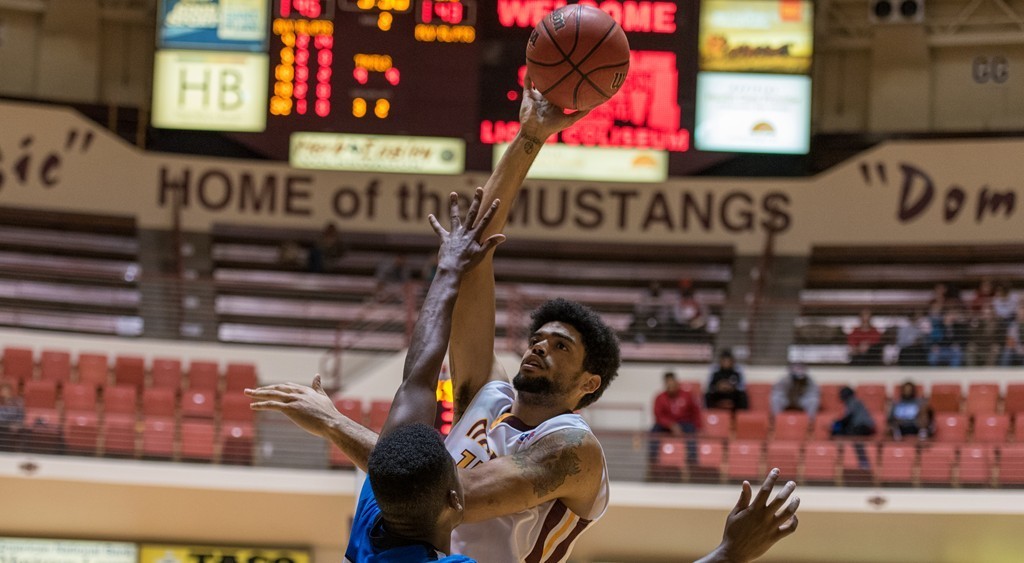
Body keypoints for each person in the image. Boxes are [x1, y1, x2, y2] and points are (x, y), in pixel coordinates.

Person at [248, 81, 800, 563]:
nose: (537, 348)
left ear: (588, 384)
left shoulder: (572, 450)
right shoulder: (485, 394)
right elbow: (477, 255)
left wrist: (333, 422)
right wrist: (529, 140)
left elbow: (448, 494)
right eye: (536, 339)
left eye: (559, 346)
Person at [252, 190, 504, 562]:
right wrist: (449, 266)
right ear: (454, 500)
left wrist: (449, 269)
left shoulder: (374, 518)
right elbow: (416, 380)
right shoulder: (370, 523)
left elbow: (418, 380)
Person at [649, 371, 702, 474]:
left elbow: (695, 412)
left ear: (676, 382)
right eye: (668, 383)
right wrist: (671, 425)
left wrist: (698, 427)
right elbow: (658, 416)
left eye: (672, 383)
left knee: (691, 432)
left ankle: (692, 463)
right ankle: (653, 461)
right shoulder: (659, 398)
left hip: (685, 423)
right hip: (666, 424)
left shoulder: (687, 396)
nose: (671, 386)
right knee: (654, 431)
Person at [0, 382, 24, 451]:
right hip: (1, 423)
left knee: (8, 431)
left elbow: (20, 415)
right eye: (3, 390)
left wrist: (17, 424)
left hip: (11, 423)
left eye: (6, 390)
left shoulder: (17, 401)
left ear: (10, 391)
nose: (4, 392)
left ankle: (6, 450)